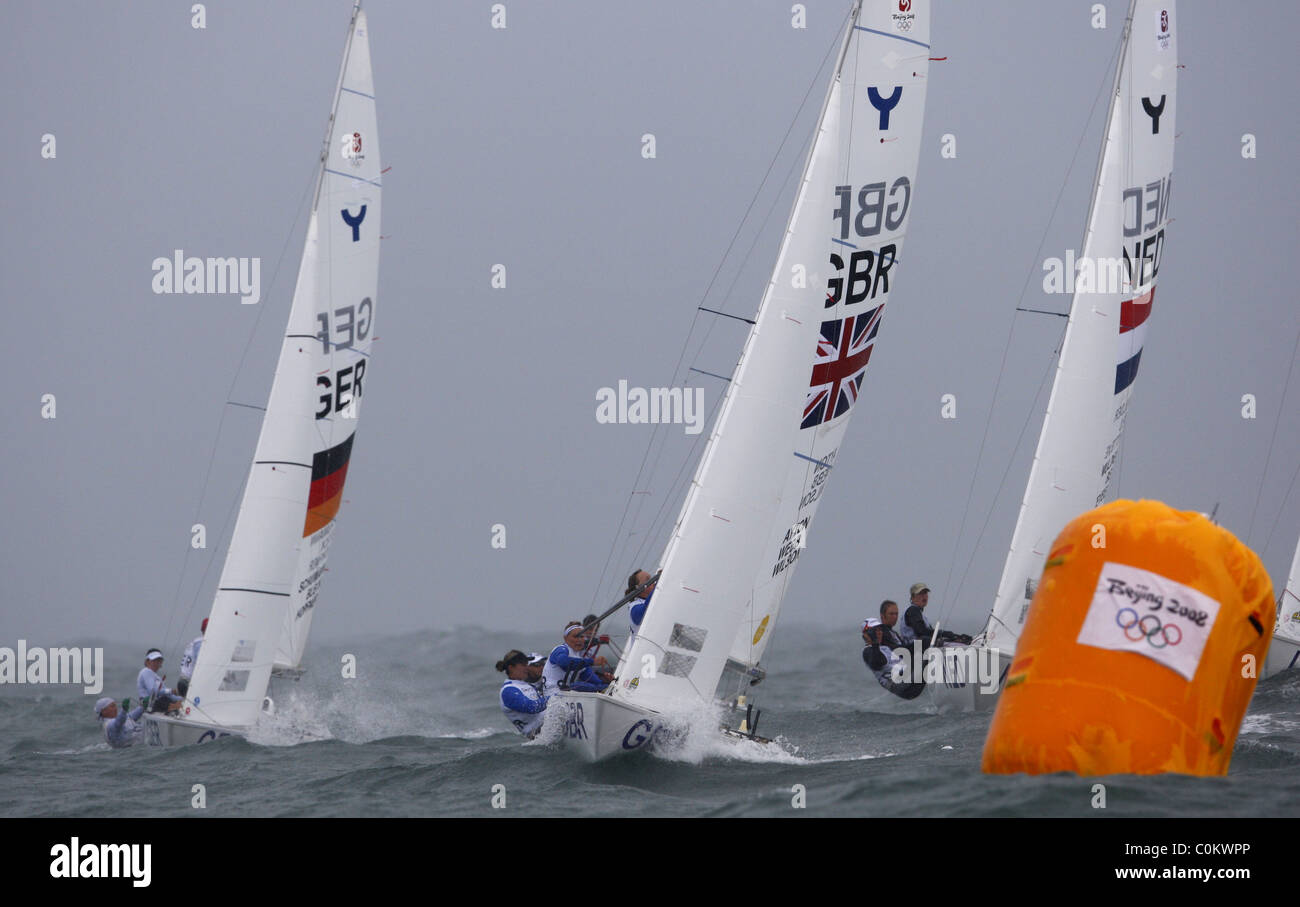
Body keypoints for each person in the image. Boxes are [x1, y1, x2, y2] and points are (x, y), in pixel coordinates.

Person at [862, 613, 925, 701]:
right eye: (875, 631)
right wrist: (875, 642)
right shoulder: (868, 651)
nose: (879, 633)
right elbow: (878, 662)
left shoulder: (884, 647)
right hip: (900, 685)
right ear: (866, 634)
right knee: (925, 650)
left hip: (911, 684)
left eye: (880, 630)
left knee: (923, 644)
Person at [542, 622, 611, 693]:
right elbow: (563, 662)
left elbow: (596, 681)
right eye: (575, 636)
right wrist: (592, 661)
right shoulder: (560, 649)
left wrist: (607, 681)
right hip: (552, 696)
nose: (579, 640)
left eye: (581, 637)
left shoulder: (579, 659)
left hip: (565, 696)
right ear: (565, 638)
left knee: (600, 687)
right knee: (576, 686)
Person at [496, 650, 549, 738]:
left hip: (548, 727)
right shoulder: (508, 691)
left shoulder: (525, 684)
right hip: (539, 734)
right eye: (523, 665)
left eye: (527, 664)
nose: (527, 668)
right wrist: (554, 697)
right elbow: (532, 707)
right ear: (511, 667)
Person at [900, 583, 972, 647]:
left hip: (921, 647)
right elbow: (921, 632)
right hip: (917, 651)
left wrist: (953, 636)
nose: (924, 596)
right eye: (920, 594)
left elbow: (926, 633)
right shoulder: (913, 611)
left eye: (925, 593)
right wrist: (947, 634)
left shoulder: (917, 612)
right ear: (912, 597)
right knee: (964, 646)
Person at [136, 649, 184, 713]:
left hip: (158, 702)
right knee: (171, 703)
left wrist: (182, 699)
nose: (156, 663)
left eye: (159, 661)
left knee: (180, 703)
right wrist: (171, 691)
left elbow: (168, 695)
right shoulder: (146, 671)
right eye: (154, 661)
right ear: (148, 662)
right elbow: (153, 691)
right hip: (149, 704)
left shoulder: (157, 677)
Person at [177, 618, 207, 698]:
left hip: (183, 681)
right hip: (188, 683)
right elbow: (201, 664)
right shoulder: (202, 643)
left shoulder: (194, 642)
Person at [626, 569, 656, 639]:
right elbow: (643, 614)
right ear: (638, 588)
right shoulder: (633, 606)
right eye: (648, 579)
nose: (654, 582)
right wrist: (659, 584)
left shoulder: (657, 599)